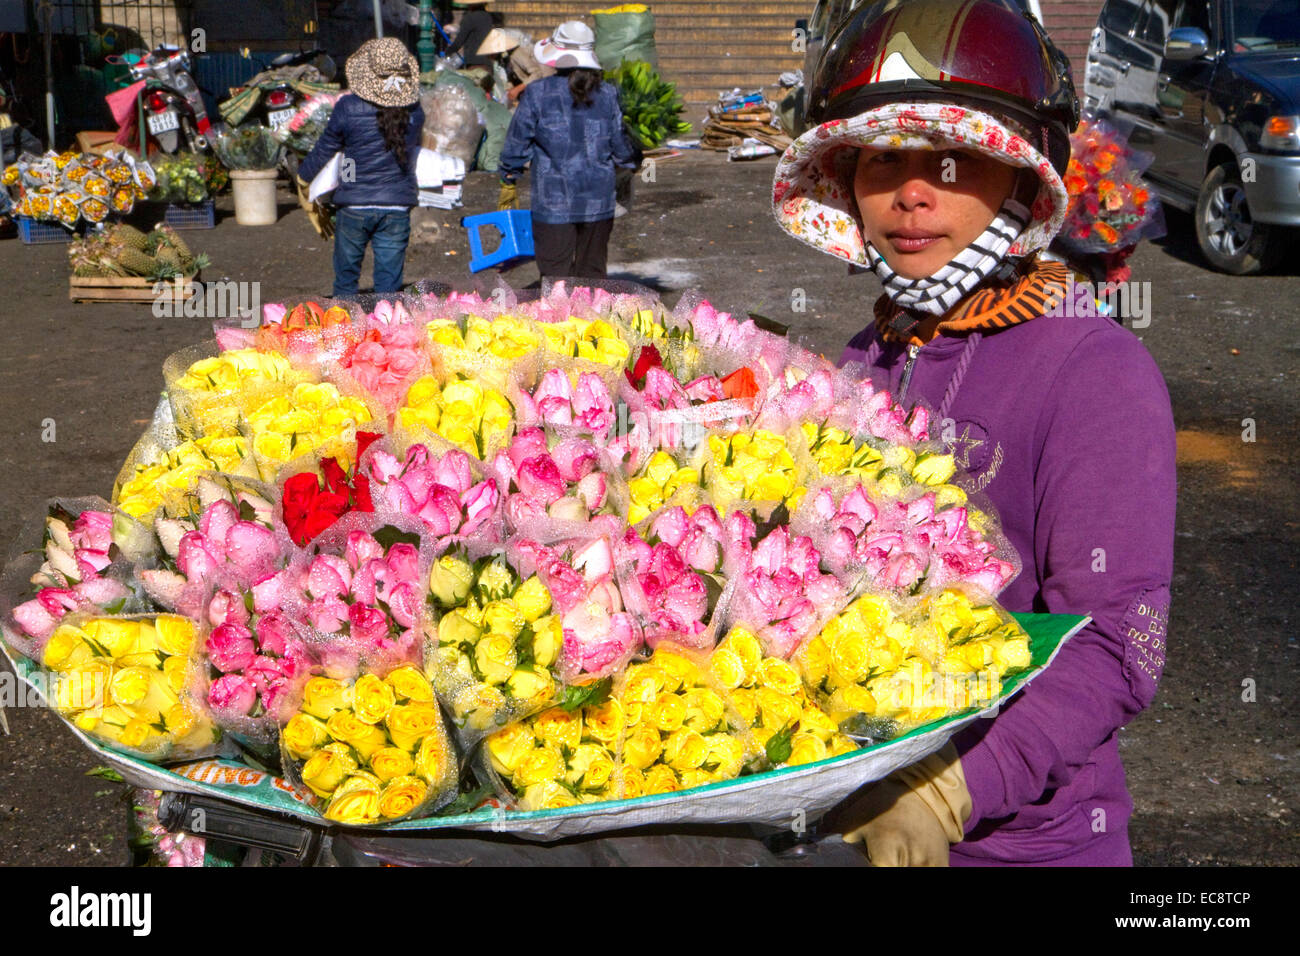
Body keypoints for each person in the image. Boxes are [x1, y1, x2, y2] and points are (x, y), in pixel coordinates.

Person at [771, 0, 1176, 865]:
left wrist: (952, 792)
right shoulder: (864, 357)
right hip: (845, 813)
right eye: (882, 160)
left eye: (953, 164)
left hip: (1025, 843)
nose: (911, 194)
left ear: (1023, 183)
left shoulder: (1092, 370)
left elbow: (1119, 640)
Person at [498, 21, 641, 280]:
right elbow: (622, 149)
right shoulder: (608, 94)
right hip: (598, 200)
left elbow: (517, 142)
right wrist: (633, 162)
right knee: (592, 278)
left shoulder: (536, 93)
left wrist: (509, 174)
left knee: (555, 279)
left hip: (553, 202)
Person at [298, 37, 425, 299]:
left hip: (353, 205)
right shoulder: (415, 111)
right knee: (389, 289)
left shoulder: (347, 106)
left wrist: (303, 178)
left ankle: (345, 332)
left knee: (345, 283)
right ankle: (387, 333)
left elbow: (326, 148)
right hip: (397, 206)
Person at [477, 27, 554, 103]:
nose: (489, 57)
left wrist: (518, 89)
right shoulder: (504, 59)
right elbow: (510, 77)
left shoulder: (517, 53)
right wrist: (509, 90)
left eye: (490, 54)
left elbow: (537, 73)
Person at [445, 0, 495, 78]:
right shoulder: (488, 16)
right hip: (487, 62)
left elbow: (459, 42)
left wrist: (448, 52)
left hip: (475, 63)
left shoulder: (470, 18)